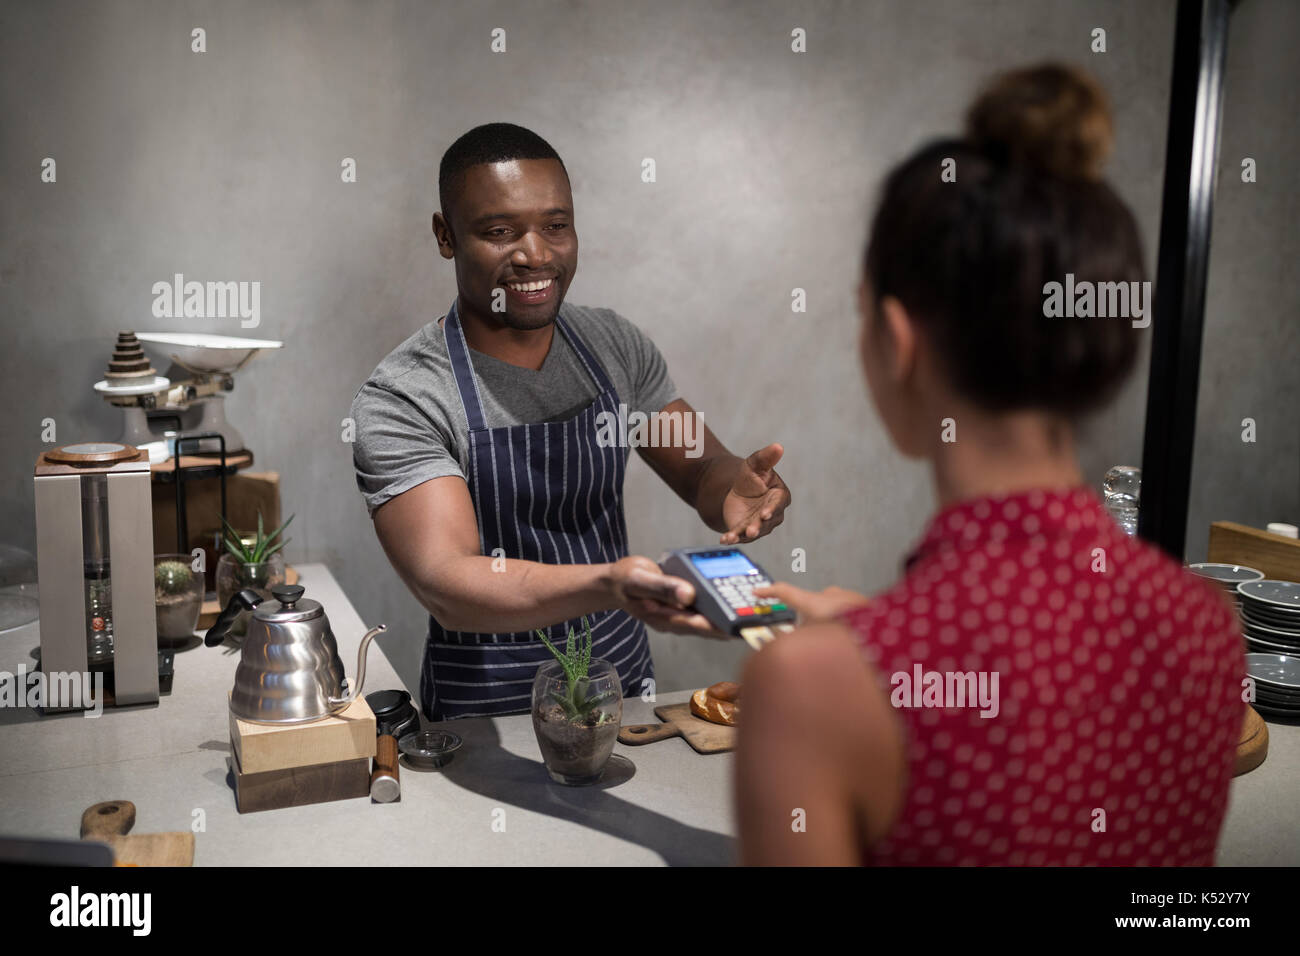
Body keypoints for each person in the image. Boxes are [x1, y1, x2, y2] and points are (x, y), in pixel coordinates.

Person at [736, 64, 1244, 865]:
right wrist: (868, 632)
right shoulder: (1207, 625)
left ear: (900, 345)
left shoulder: (809, 692)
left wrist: (861, 650)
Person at [351, 123, 790, 721]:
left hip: (620, 684)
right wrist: (607, 585)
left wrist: (735, 491)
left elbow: (703, 471)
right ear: (445, 236)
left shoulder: (614, 345)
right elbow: (448, 582)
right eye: (500, 231)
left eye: (555, 226)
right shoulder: (406, 395)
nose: (536, 254)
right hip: (490, 712)